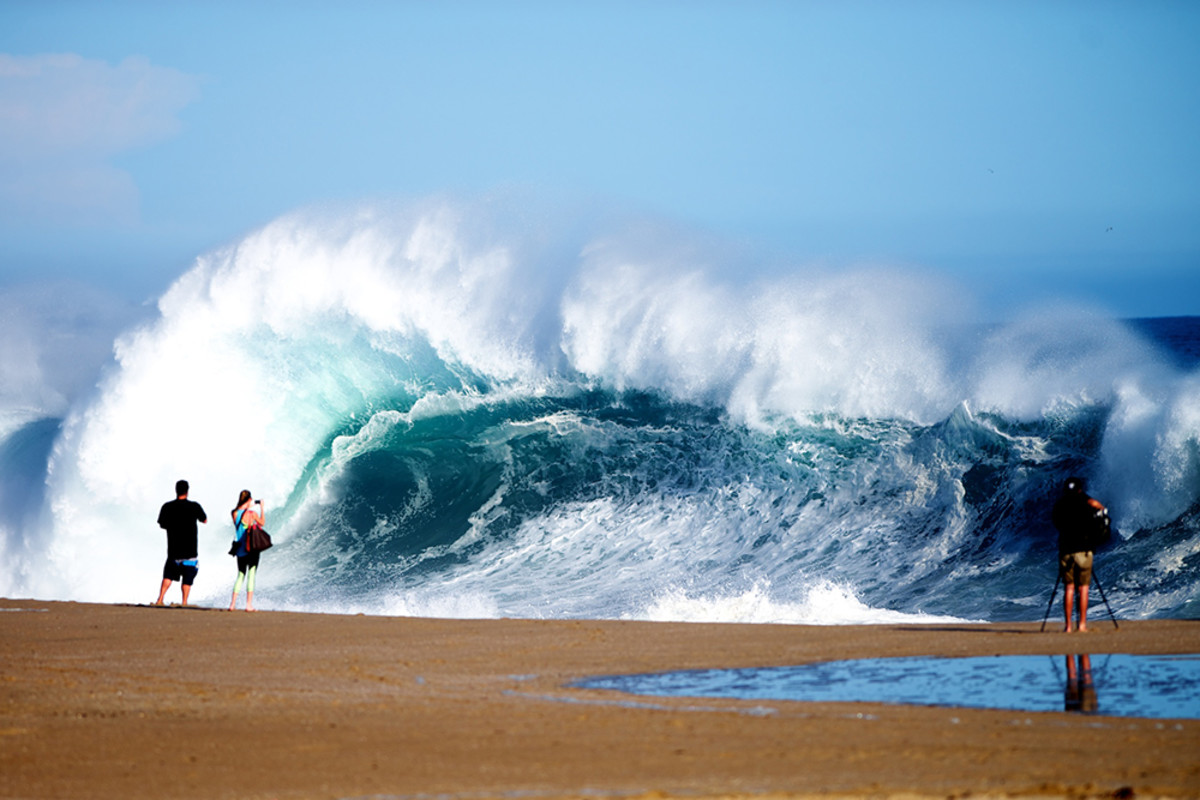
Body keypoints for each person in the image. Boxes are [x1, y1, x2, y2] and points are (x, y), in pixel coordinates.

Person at [1051, 476, 1107, 633]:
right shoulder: (1087, 502)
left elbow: (1056, 523)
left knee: (1069, 588)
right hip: (1083, 550)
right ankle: (1081, 625)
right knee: (1083, 588)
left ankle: (1068, 626)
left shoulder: (1059, 505)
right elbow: (1101, 512)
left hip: (1066, 551)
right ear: (1080, 489)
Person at [155, 479, 208, 606]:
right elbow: (204, 520)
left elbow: (161, 524)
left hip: (173, 550)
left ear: (176, 490)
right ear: (187, 491)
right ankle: (184, 602)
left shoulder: (167, 506)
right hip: (190, 550)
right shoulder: (194, 506)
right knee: (187, 577)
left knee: (168, 576)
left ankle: (160, 599)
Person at [229, 490, 265, 612]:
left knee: (240, 575)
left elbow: (239, 521)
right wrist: (262, 508)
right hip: (251, 549)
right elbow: (262, 523)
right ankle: (248, 605)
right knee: (251, 576)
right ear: (249, 500)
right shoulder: (252, 514)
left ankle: (232, 604)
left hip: (240, 550)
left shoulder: (234, 513)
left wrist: (248, 505)